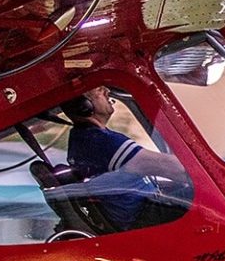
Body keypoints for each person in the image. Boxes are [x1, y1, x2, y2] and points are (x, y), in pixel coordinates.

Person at [59, 86, 191, 231]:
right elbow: (177, 169)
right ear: (83, 105)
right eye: (99, 90)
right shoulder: (98, 141)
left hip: (141, 211)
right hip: (143, 216)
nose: (107, 92)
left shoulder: (82, 138)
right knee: (202, 191)